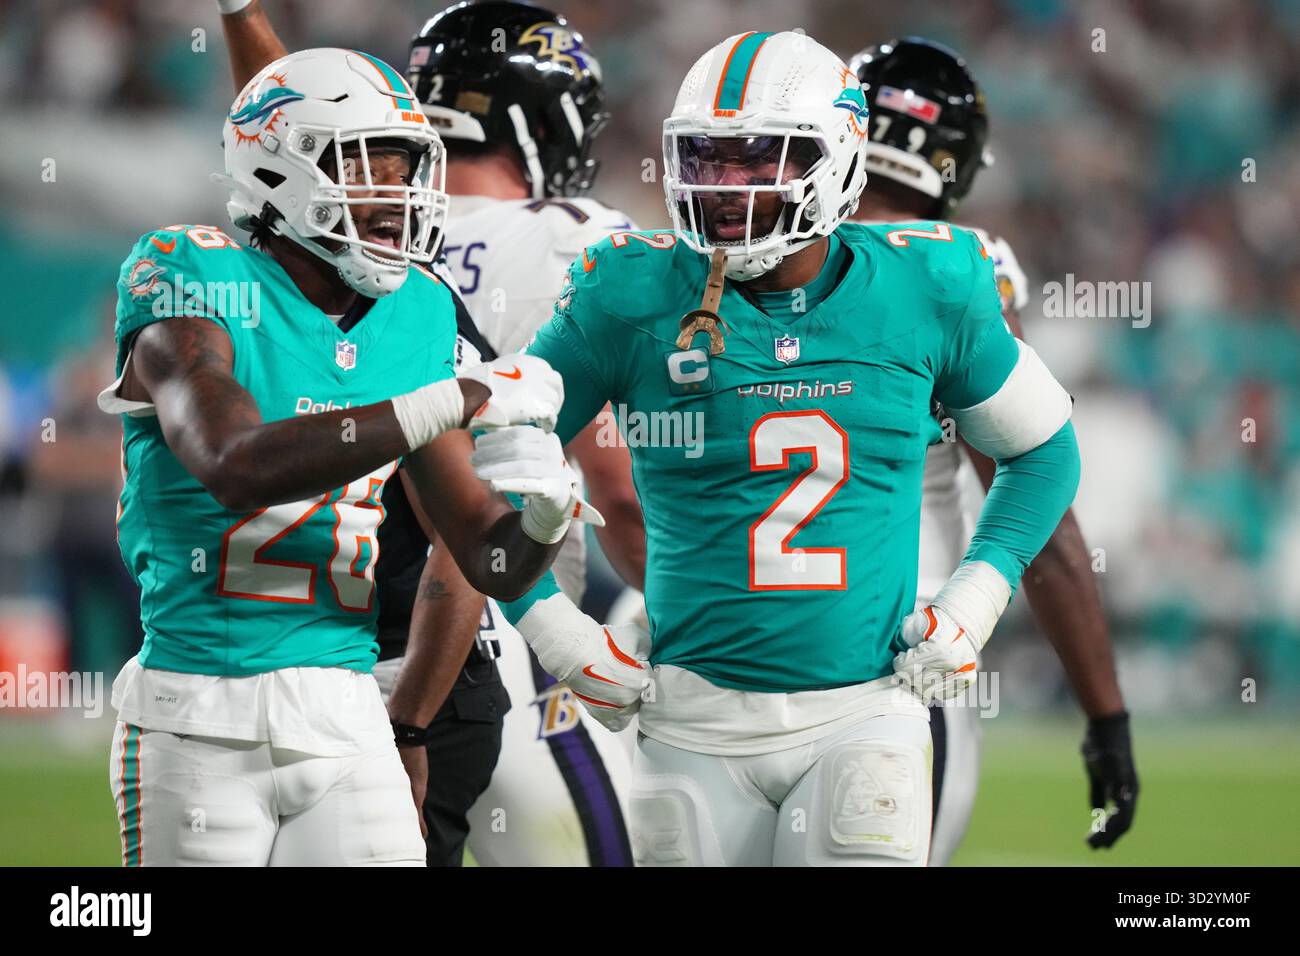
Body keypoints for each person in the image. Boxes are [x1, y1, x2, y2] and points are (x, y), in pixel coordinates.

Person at [515, 29, 1082, 866]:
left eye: (759, 159)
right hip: (689, 718)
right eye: (706, 159)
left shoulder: (931, 281)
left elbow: (1046, 452)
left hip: (866, 710)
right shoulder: (626, 288)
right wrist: (556, 632)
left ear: (841, 160)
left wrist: (976, 602)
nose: (726, 188)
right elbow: (483, 468)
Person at [99, 46, 585, 865]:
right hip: (196, 709)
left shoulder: (419, 310)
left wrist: (542, 509)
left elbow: (485, 554)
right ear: (281, 169)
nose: (398, 197)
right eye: (369, 170)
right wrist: (454, 399)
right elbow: (233, 463)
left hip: (347, 701)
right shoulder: (192, 275)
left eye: (408, 171)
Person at [217, 0, 647, 866]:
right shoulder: (582, 242)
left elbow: (280, 113)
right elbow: (622, 494)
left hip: (311, 633)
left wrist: (239, 13)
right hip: (506, 636)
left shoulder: (322, 226)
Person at [848, 37, 1138, 862]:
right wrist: (1106, 714)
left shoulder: (759, 251)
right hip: (910, 644)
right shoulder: (960, 272)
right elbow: (1039, 512)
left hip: (745, 641)